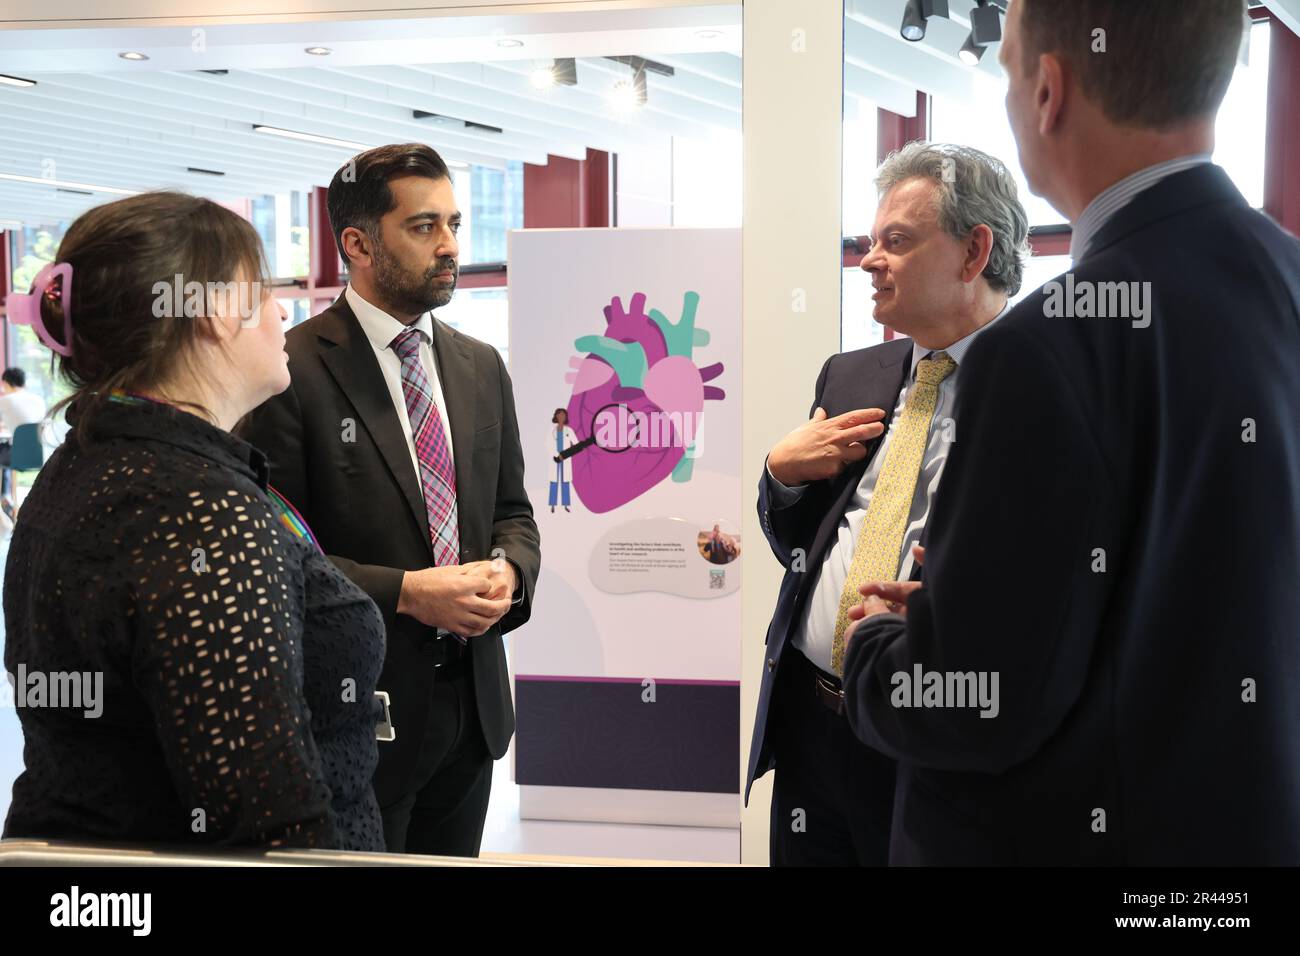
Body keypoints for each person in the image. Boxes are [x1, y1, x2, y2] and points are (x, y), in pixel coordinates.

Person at [843, 0, 1300, 865]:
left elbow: (974, 703)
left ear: (1048, 91)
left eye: (1009, 70)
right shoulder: (1287, 281)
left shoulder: (1048, 348)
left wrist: (874, 643)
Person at [2, 192, 387, 850]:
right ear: (211, 312)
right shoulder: (200, 510)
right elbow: (268, 825)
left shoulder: (93, 458)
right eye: (264, 292)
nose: (283, 310)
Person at [241, 143, 540, 858]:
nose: (450, 247)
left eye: (456, 225)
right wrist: (406, 593)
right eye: (424, 226)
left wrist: (509, 571)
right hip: (353, 713)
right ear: (358, 243)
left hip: (472, 713)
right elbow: (276, 556)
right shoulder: (289, 370)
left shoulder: (479, 365)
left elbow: (513, 512)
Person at [748, 143, 1029, 865]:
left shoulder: (1049, 387)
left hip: (936, 731)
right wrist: (779, 476)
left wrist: (962, 608)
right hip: (814, 723)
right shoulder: (851, 375)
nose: (870, 260)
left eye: (896, 243)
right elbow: (799, 548)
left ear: (975, 252)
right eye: (869, 242)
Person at [0, 367, 47, 517]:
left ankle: (5, 499)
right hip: (41, 454)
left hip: (16, 456)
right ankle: (7, 499)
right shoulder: (38, 399)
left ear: (6, 383)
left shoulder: (4, 401)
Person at [548, 407, 578, 512]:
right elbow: (547, 444)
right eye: (559, 415)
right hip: (555, 459)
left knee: (565, 482)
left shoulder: (569, 431)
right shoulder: (552, 431)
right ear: (556, 416)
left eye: (563, 415)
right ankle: (552, 505)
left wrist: (569, 450)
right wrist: (556, 454)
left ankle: (566, 505)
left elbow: (576, 443)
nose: (561, 417)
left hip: (565, 459)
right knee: (554, 482)